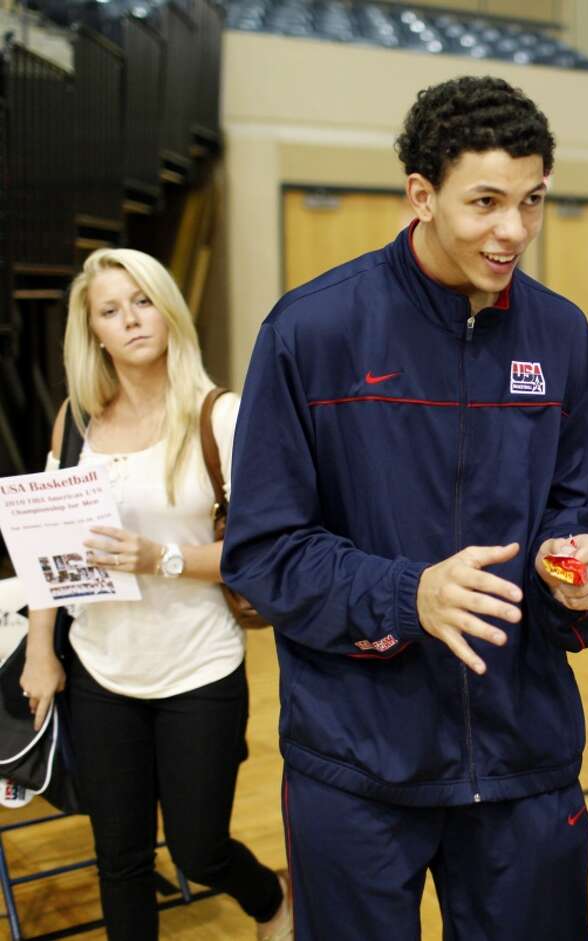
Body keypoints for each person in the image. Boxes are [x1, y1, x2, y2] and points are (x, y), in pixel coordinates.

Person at [221, 76, 588, 941]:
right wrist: (410, 595)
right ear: (421, 194)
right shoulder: (311, 332)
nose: (513, 229)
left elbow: (578, 502)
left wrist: (572, 567)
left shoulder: (560, 335)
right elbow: (264, 551)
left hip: (523, 755)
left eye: (532, 200)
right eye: (485, 202)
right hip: (356, 764)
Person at [18, 248, 292, 941]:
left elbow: (258, 547)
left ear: (168, 308)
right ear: (94, 332)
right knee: (121, 859)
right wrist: (42, 650)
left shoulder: (219, 416)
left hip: (200, 665)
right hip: (101, 667)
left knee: (200, 849)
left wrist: (159, 558)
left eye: (142, 301)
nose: (131, 319)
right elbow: (50, 546)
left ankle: (272, 899)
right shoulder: (76, 422)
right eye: (111, 310)